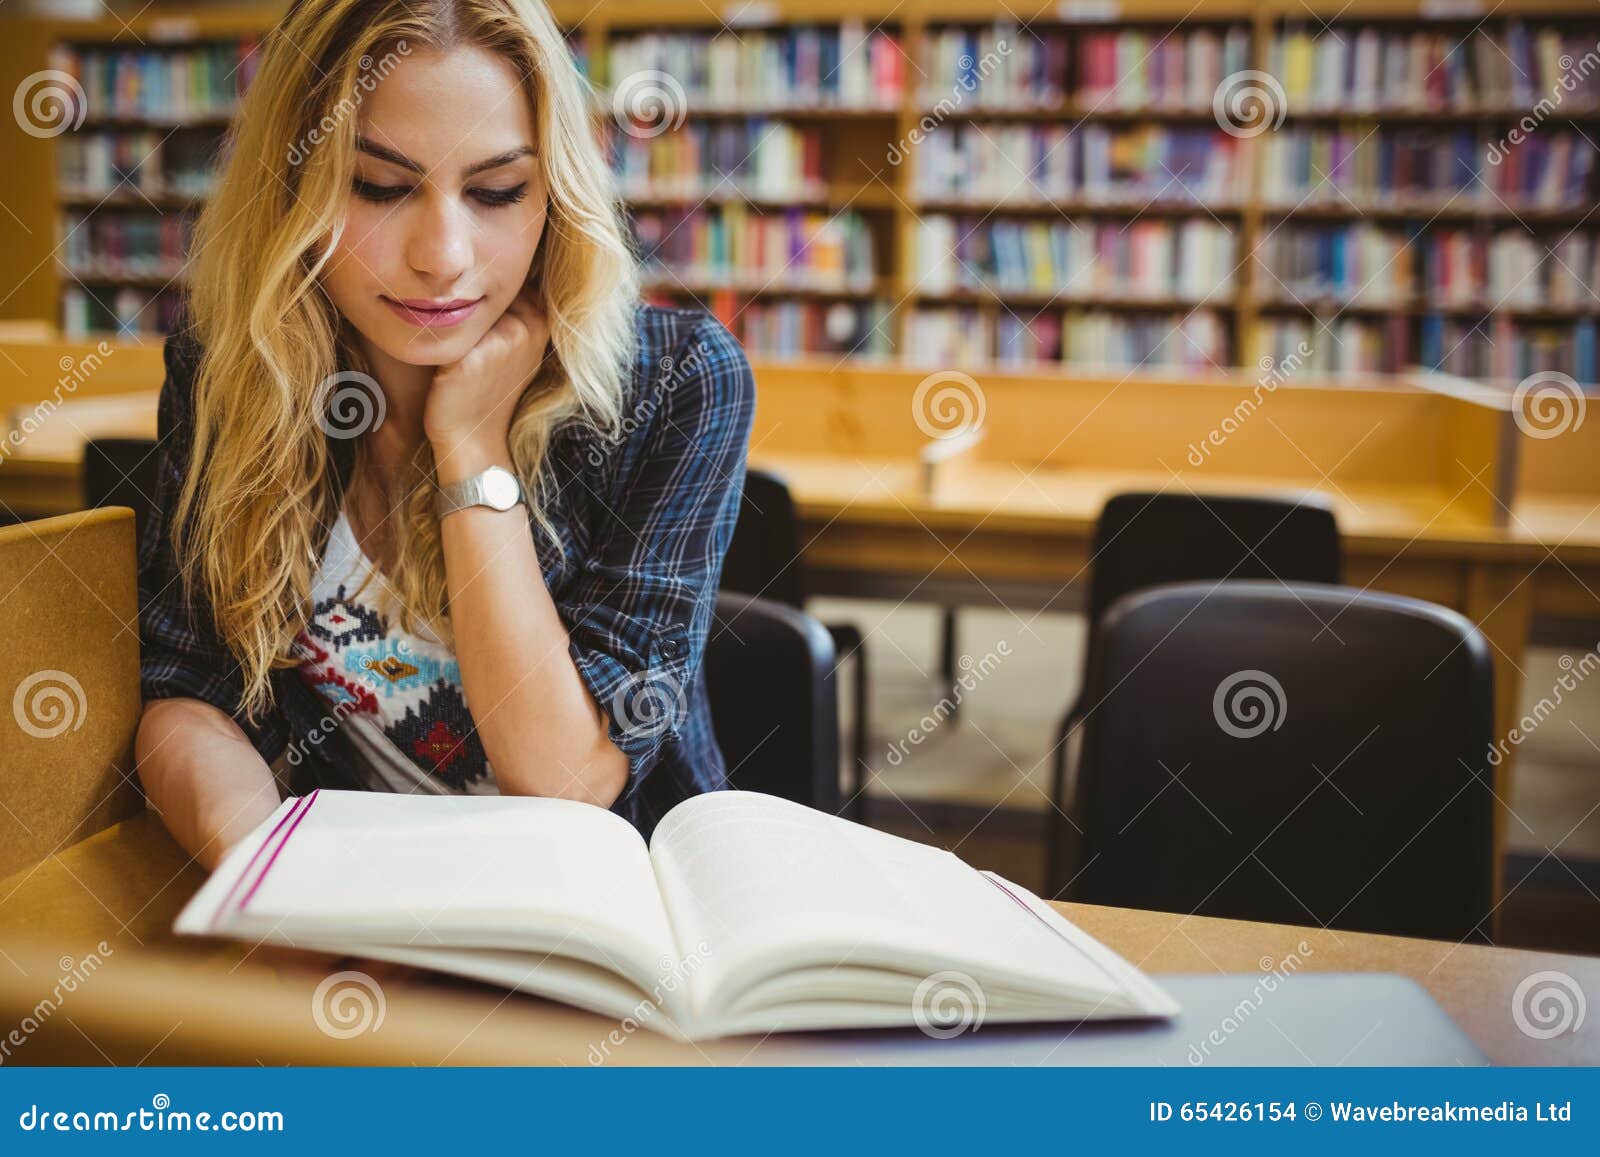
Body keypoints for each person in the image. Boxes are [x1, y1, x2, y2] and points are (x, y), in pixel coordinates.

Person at [135, 0, 755, 871]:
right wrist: (268, 876)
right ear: (293, 187)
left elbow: (569, 780)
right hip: (363, 925)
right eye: (380, 186)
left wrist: (470, 447)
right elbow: (184, 686)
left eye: (498, 191)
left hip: (614, 939)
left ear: (556, 196)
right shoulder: (227, 374)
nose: (444, 255)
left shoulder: (680, 383)